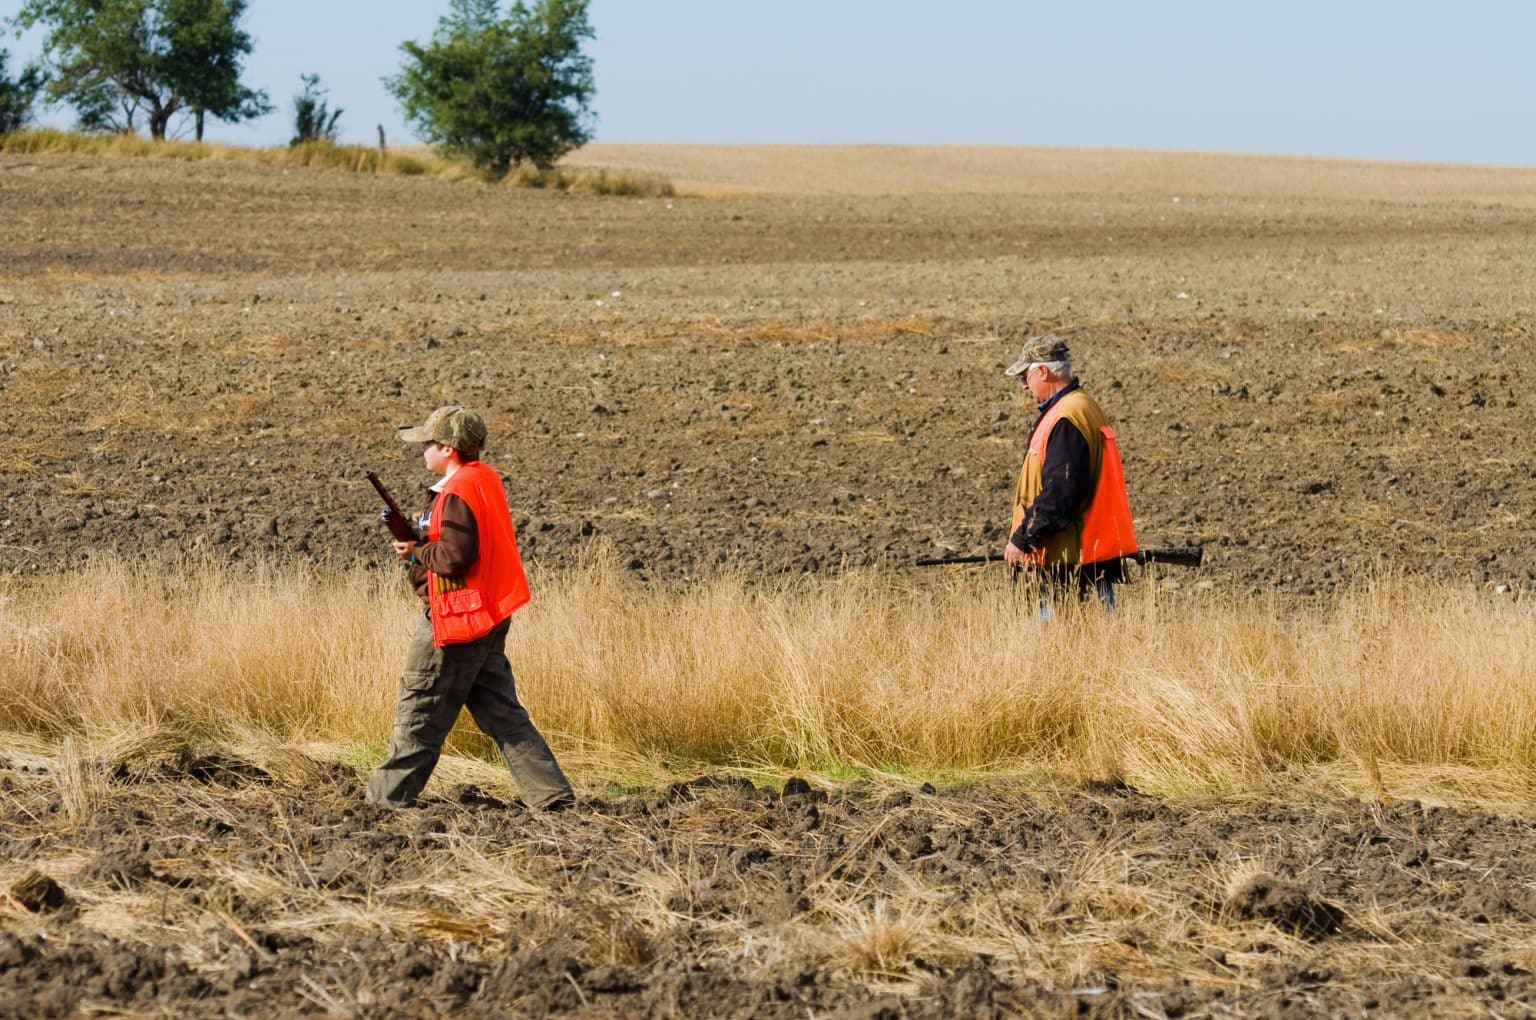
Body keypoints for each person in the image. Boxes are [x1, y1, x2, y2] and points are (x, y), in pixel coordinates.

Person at [367, 405, 574, 810]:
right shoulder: (483, 479)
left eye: (427, 442)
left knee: (420, 708)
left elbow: (454, 557)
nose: (422, 449)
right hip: (488, 613)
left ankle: (385, 801)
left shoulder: (457, 491)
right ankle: (551, 796)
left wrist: (415, 552)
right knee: (500, 710)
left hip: (457, 618)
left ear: (447, 448)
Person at [1001, 335, 1137, 612]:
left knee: (1053, 645)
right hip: (1088, 555)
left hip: (1068, 563)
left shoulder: (1066, 417)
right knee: (1099, 644)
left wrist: (1023, 539)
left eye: (1026, 376)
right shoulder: (1083, 406)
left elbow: (1061, 492)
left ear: (1043, 371)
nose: (1024, 385)